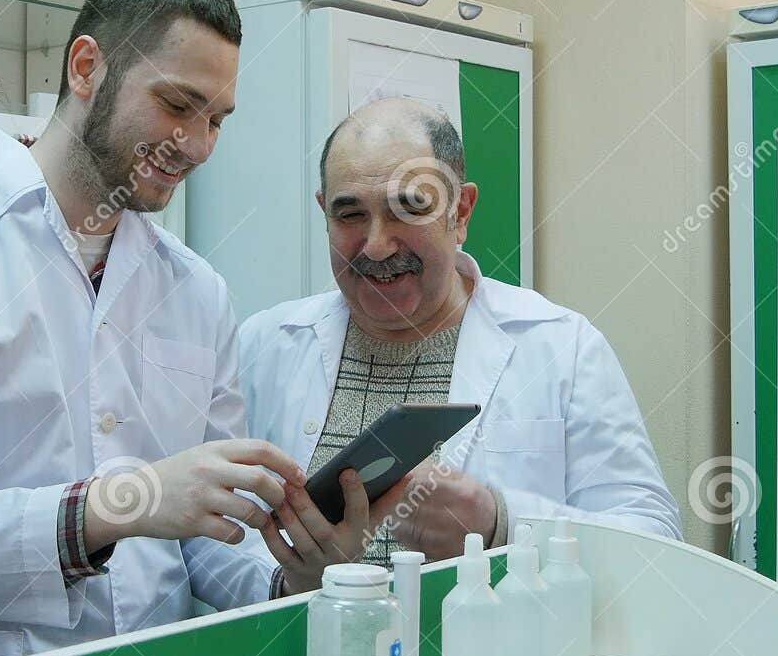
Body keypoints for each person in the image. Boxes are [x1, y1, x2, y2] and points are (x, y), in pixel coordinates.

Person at [0, 0, 358, 656]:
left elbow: (200, 534)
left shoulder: (197, 292)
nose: (196, 145)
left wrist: (293, 576)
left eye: (218, 120)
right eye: (176, 105)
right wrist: (127, 501)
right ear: (85, 68)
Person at [238, 97, 682, 566]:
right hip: (311, 638)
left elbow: (653, 540)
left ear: (461, 211)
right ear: (323, 211)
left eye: (408, 209)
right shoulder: (265, 346)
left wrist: (500, 524)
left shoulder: (562, 347)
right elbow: (208, 544)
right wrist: (283, 584)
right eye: (350, 215)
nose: (376, 245)